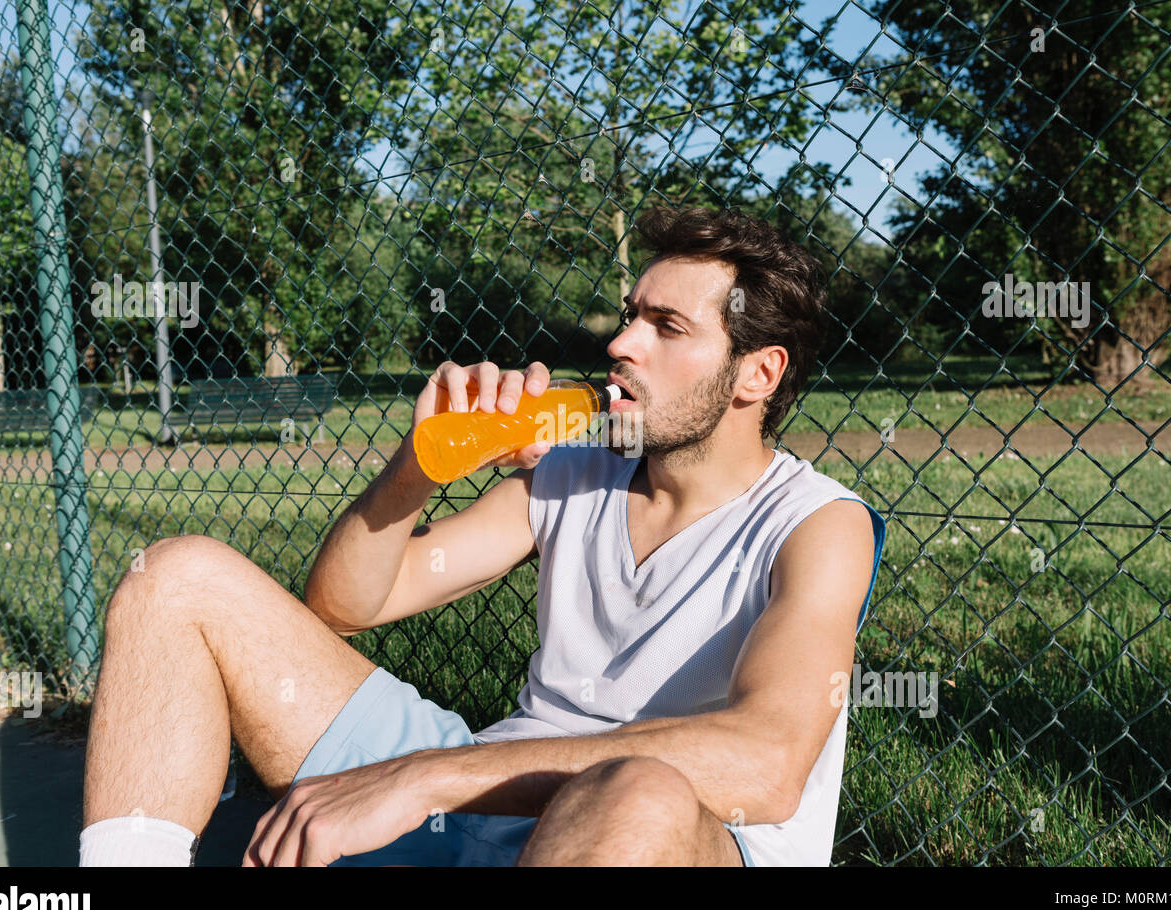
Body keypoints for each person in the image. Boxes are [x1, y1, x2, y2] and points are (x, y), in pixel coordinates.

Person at [79, 204, 886, 867]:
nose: (620, 343)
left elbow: (767, 764)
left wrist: (424, 780)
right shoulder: (574, 470)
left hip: (651, 836)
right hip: (483, 805)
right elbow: (345, 604)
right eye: (633, 314)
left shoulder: (817, 526)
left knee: (636, 792)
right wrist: (418, 464)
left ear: (759, 373)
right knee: (176, 576)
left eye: (667, 328)